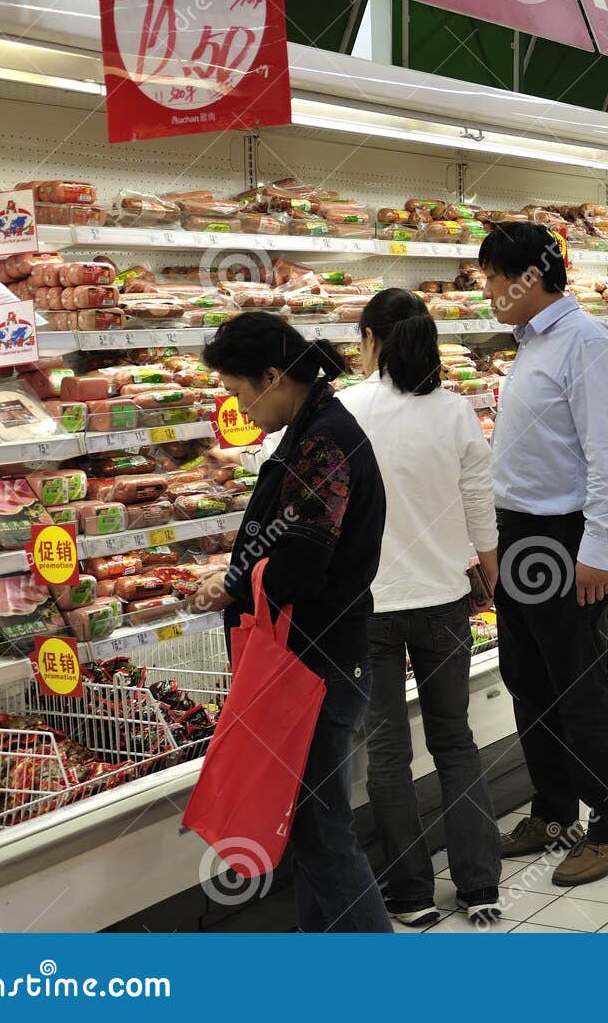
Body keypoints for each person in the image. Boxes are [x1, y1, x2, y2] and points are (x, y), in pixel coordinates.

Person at [192, 312, 390, 933]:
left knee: (320, 829)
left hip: (314, 661)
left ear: (273, 377)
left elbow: (302, 563)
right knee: (305, 828)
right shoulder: (317, 429)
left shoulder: (325, 442)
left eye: (235, 387)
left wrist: (231, 586)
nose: (236, 404)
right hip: (321, 653)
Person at [338, 289, 504, 928]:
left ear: (372, 340)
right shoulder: (455, 411)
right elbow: (478, 500)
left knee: (387, 752)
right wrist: (488, 569)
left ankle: (409, 896)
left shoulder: (345, 411)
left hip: (369, 607)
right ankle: (479, 887)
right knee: (454, 740)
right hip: (444, 600)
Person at [479, 222, 608, 887]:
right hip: (516, 532)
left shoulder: (585, 342)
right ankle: (551, 810)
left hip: (563, 536)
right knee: (528, 680)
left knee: (579, 686)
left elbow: (607, 453)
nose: (484, 289)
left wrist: (598, 548)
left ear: (528, 279)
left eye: (489, 276)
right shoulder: (532, 343)